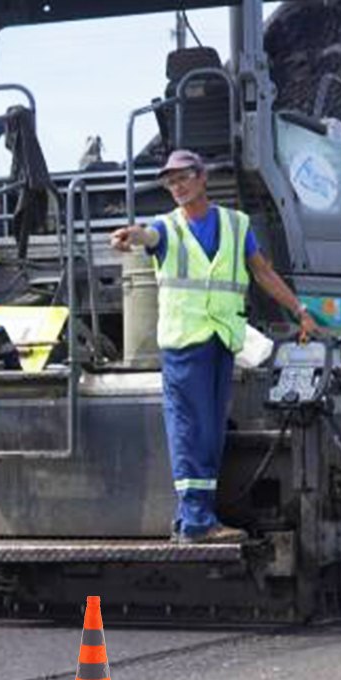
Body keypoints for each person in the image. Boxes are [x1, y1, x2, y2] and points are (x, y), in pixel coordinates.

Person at [111, 149, 317, 542]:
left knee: (208, 433)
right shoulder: (166, 228)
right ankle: (197, 523)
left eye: (183, 177)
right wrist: (128, 235)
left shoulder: (236, 226)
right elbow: (145, 235)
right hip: (183, 346)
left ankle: (189, 518)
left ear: (202, 177)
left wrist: (300, 310)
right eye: (170, 181)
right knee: (190, 431)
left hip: (222, 341)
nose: (177, 186)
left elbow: (263, 273)